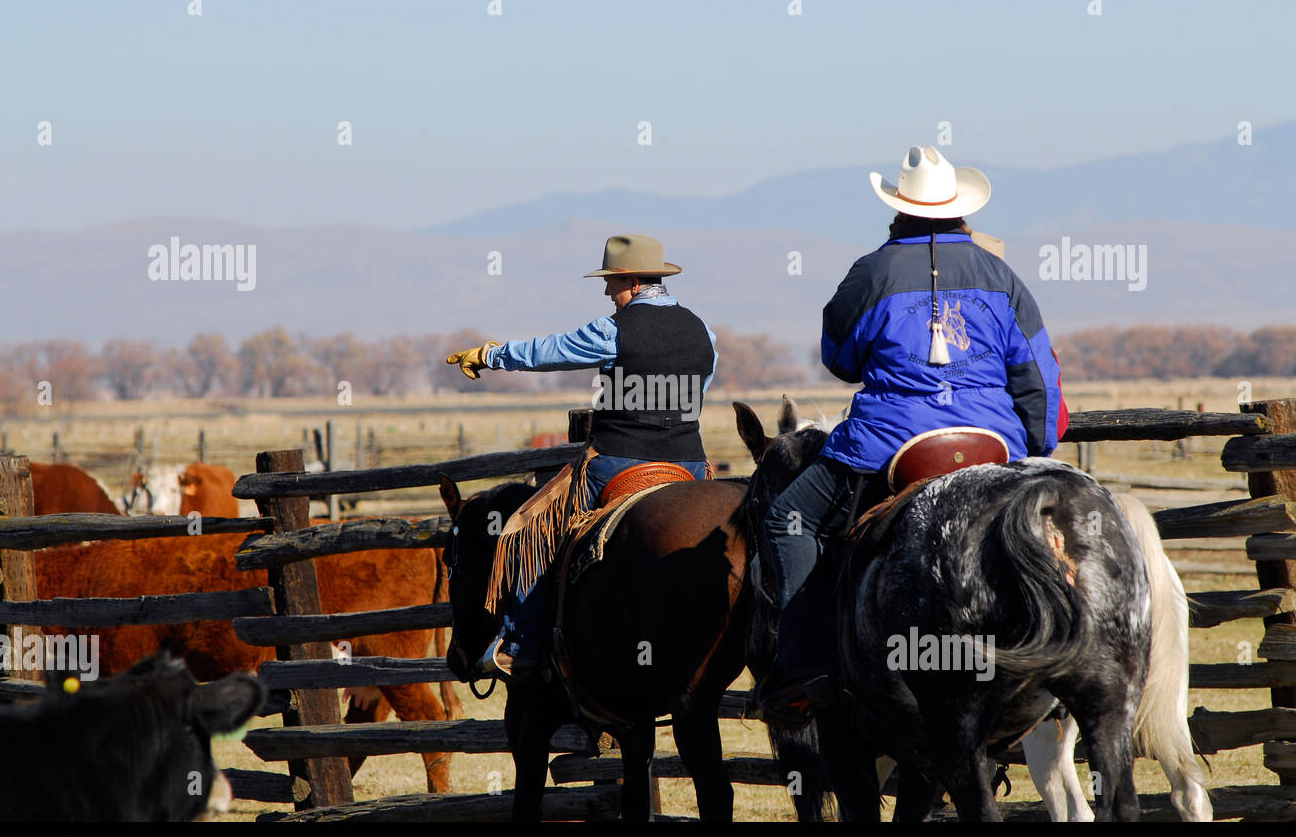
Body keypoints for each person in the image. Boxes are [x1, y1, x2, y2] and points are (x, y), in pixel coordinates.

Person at [756, 145, 1069, 726]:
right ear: (957, 208)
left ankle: (806, 667)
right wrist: (1034, 448)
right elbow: (1039, 378)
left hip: (889, 443)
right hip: (993, 443)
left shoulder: (870, 272)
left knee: (788, 520)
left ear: (898, 209)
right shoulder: (1000, 274)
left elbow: (839, 359)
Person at [446, 233, 718, 678]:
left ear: (630, 281)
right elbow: (699, 390)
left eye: (611, 282)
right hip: (690, 463)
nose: (607, 292)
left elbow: (549, 352)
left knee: (527, 529)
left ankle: (520, 644)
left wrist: (491, 355)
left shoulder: (615, 330)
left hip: (618, 460)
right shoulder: (702, 330)